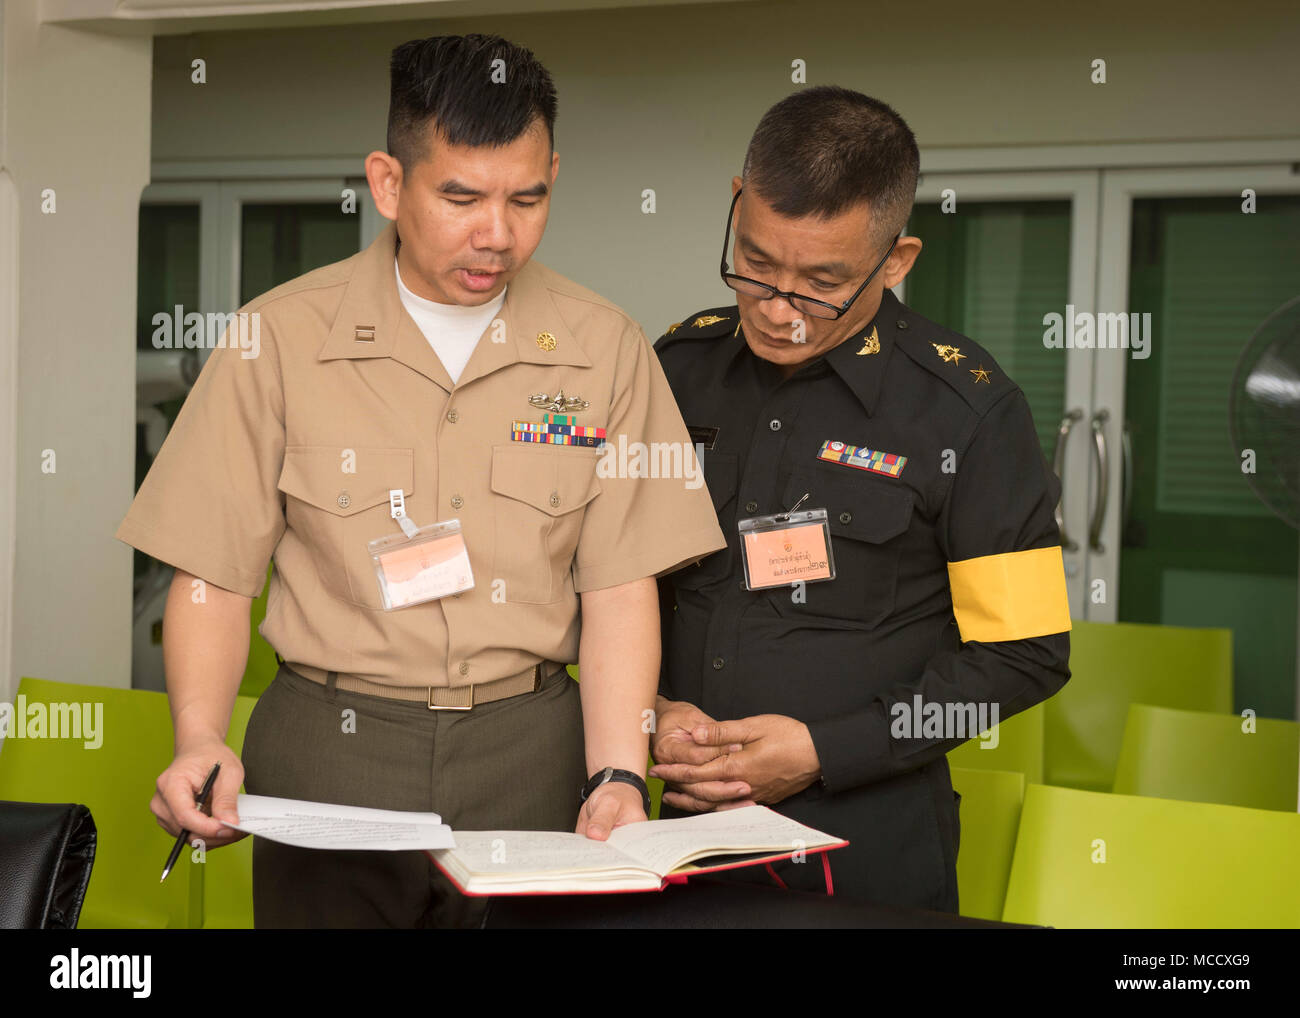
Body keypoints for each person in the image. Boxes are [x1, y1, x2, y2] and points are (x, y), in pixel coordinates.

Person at [117, 33, 724, 929]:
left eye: (529, 198)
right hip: (329, 752)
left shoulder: (605, 348)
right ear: (390, 183)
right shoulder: (276, 339)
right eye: (461, 197)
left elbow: (620, 586)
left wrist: (616, 774)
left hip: (532, 751)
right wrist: (199, 736)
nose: (498, 234)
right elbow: (212, 568)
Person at [648, 86, 1072, 913]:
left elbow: (1024, 655)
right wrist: (645, 714)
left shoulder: (967, 409)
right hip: (677, 838)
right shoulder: (676, 371)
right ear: (739, 204)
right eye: (757, 263)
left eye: (821, 284)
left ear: (897, 260)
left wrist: (823, 749)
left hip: (865, 851)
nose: (778, 310)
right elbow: (622, 584)